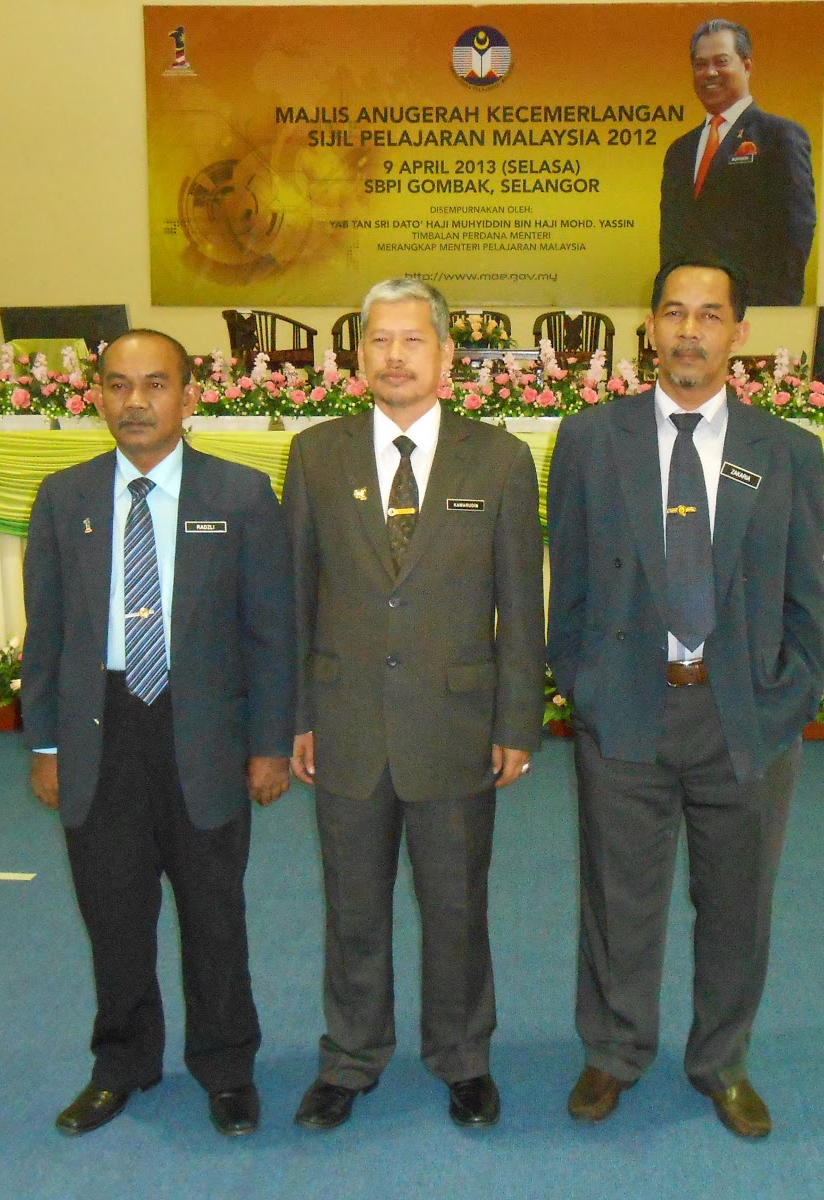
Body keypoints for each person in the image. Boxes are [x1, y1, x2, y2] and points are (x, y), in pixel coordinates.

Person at [546, 257, 824, 1136]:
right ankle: (614, 1052)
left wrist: (790, 700)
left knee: (738, 900)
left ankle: (721, 1059)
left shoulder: (785, 451)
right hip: (626, 710)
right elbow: (572, 587)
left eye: (710, 315)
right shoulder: (593, 439)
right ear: (651, 327)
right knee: (617, 897)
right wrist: (584, 690)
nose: (689, 331)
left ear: (739, 333)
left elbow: (804, 597)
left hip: (742, 717)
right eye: (674, 312)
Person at [283, 276, 545, 1131]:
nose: (395, 357)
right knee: (352, 906)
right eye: (379, 341)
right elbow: (293, 598)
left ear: (446, 356)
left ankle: (463, 1058)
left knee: (456, 906)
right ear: (359, 355)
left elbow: (520, 605)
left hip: (458, 729)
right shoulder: (316, 455)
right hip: (347, 723)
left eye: (412, 340)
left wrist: (515, 723)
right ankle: (351, 1058)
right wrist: (296, 716)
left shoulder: (499, 459)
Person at [20, 329, 295, 1138]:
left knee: (215, 913)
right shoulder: (64, 498)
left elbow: (270, 633)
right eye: (117, 385)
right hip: (99, 731)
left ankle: (227, 1068)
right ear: (97, 395)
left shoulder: (239, 496)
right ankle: (122, 1062)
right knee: (114, 912)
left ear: (189, 395)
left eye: (154, 384)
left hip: (202, 730)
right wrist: (45, 745)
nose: (134, 401)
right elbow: (46, 635)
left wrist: (271, 742)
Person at [658, 18, 816, 307]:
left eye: (721, 61)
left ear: (746, 65)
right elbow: (671, 240)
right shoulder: (680, 151)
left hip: (756, 309)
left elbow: (796, 229)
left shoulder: (779, 136)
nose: (710, 73)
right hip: (692, 310)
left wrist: (776, 310)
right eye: (700, 64)